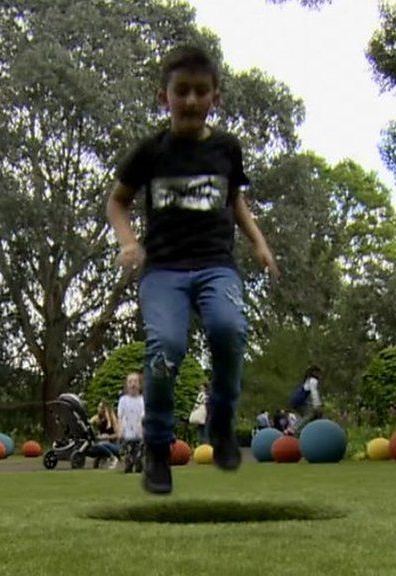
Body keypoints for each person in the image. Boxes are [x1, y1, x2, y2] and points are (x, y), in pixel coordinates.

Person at [106, 44, 280, 494]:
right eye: (180, 91)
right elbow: (117, 201)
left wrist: (259, 243)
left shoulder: (226, 148)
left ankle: (220, 422)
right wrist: (129, 242)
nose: (190, 100)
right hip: (163, 270)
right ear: (163, 96)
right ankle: (158, 450)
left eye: (201, 92)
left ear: (214, 98)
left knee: (228, 328)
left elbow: (235, 201)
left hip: (216, 266)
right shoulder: (150, 151)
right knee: (165, 348)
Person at [118, 372, 146, 473]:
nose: (133, 384)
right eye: (130, 382)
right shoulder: (123, 400)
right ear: (127, 385)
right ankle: (128, 465)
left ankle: (139, 465)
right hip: (127, 434)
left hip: (140, 435)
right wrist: (120, 430)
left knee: (139, 457)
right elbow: (121, 417)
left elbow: (143, 416)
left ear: (139, 384)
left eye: (135, 381)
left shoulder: (142, 400)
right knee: (128, 458)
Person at [290, 365, 323, 435]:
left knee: (304, 417)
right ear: (314, 372)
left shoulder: (308, 380)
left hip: (296, 400)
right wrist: (317, 405)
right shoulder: (313, 380)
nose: (319, 375)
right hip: (299, 400)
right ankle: (294, 429)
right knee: (311, 413)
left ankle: (299, 432)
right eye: (318, 373)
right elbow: (314, 393)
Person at [89, 401, 122, 469]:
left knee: (101, 444)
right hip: (103, 443)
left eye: (100, 407)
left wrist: (107, 436)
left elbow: (118, 435)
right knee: (96, 446)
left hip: (114, 445)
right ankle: (102, 458)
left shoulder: (113, 419)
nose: (98, 409)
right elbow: (89, 422)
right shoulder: (98, 418)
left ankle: (113, 458)